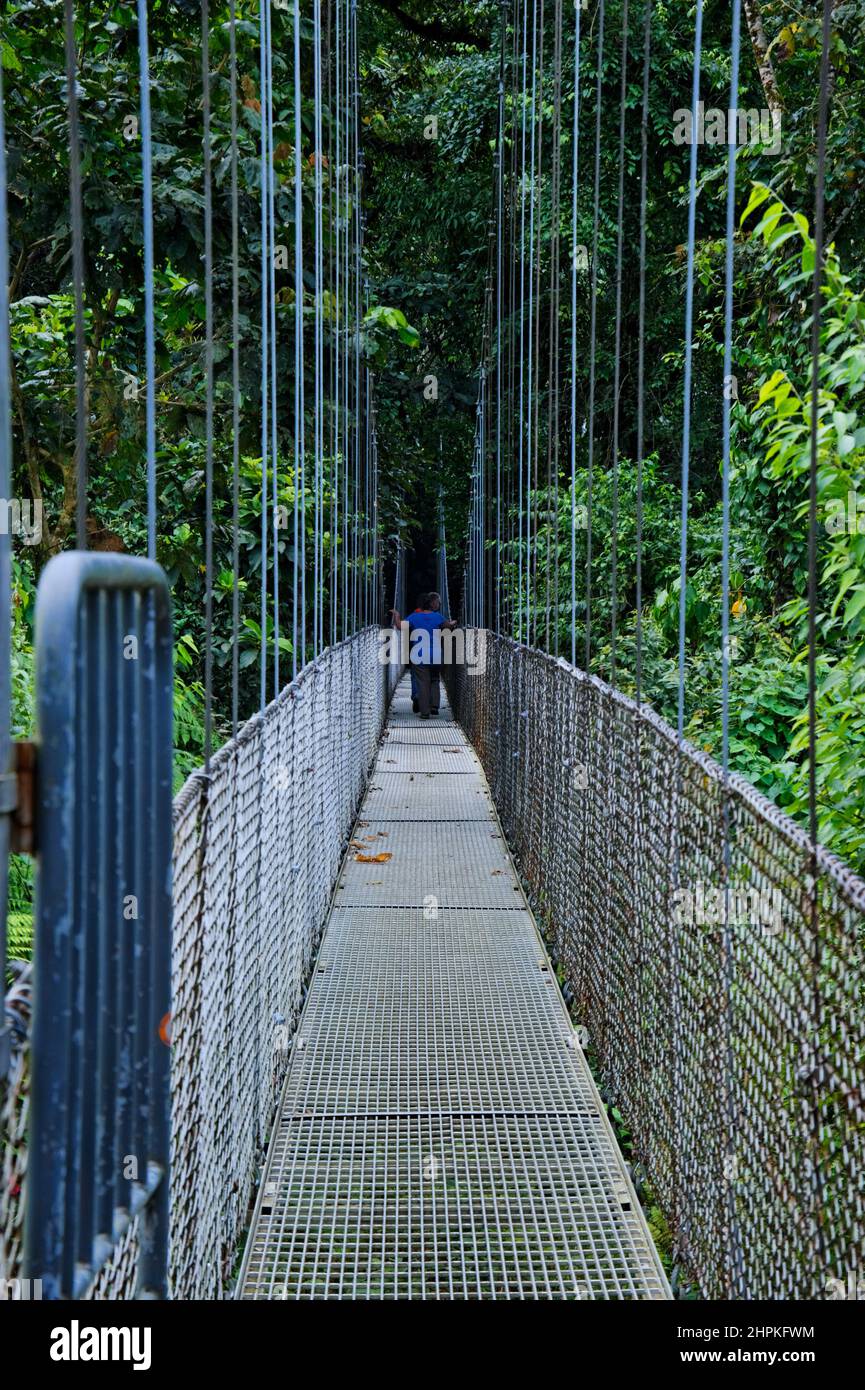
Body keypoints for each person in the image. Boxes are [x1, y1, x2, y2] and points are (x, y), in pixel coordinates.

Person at [389, 591, 456, 717]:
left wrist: (397, 615)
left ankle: (425, 712)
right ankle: (435, 706)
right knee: (435, 679)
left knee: (422, 683)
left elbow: (399, 626)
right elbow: (448, 628)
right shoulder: (438, 617)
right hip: (436, 655)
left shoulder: (414, 617)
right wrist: (452, 624)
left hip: (419, 656)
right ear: (432, 605)